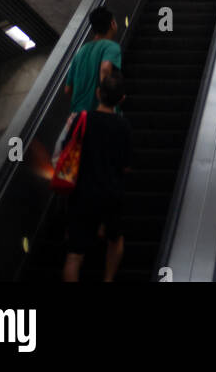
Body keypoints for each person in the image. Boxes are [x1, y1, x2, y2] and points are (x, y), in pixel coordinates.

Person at [62, 69, 131, 284]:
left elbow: (66, 150)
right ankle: (108, 279)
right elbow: (126, 166)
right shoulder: (123, 126)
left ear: (98, 93)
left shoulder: (82, 120)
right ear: (122, 99)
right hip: (111, 193)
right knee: (115, 239)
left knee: (74, 255)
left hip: (82, 193)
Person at [64, 7, 121, 115]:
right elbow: (105, 69)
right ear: (113, 24)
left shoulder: (81, 51)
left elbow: (67, 89)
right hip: (99, 116)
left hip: (78, 117)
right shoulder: (111, 47)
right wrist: (107, 103)